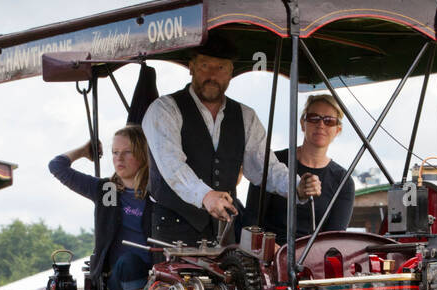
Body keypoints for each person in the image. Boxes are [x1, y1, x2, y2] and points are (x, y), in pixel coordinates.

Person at [143, 32, 317, 246]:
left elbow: (263, 167)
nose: (212, 75)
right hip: (174, 229)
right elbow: (172, 166)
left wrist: (296, 187)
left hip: (223, 231)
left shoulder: (245, 116)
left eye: (221, 68)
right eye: (205, 65)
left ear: (230, 72)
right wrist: (206, 196)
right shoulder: (164, 109)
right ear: (191, 67)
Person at [49, 126, 154, 290]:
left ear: (142, 154)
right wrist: (83, 151)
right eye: (114, 152)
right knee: (129, 262)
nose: (119, 158)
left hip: (156, 279)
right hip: (117, 281)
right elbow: (56, 166)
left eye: (127, 152)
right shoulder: (108, 191)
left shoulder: (156, 193)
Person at [240, 92, 352, 241]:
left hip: (313, 260)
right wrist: (273, 251)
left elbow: (334, 239)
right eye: (314, 118)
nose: (320, 125)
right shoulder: (272, 163)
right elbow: (252, 222)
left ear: (338, 130)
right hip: (267, 254)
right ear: (302, 123)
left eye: (329, 121)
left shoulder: (344, 182)